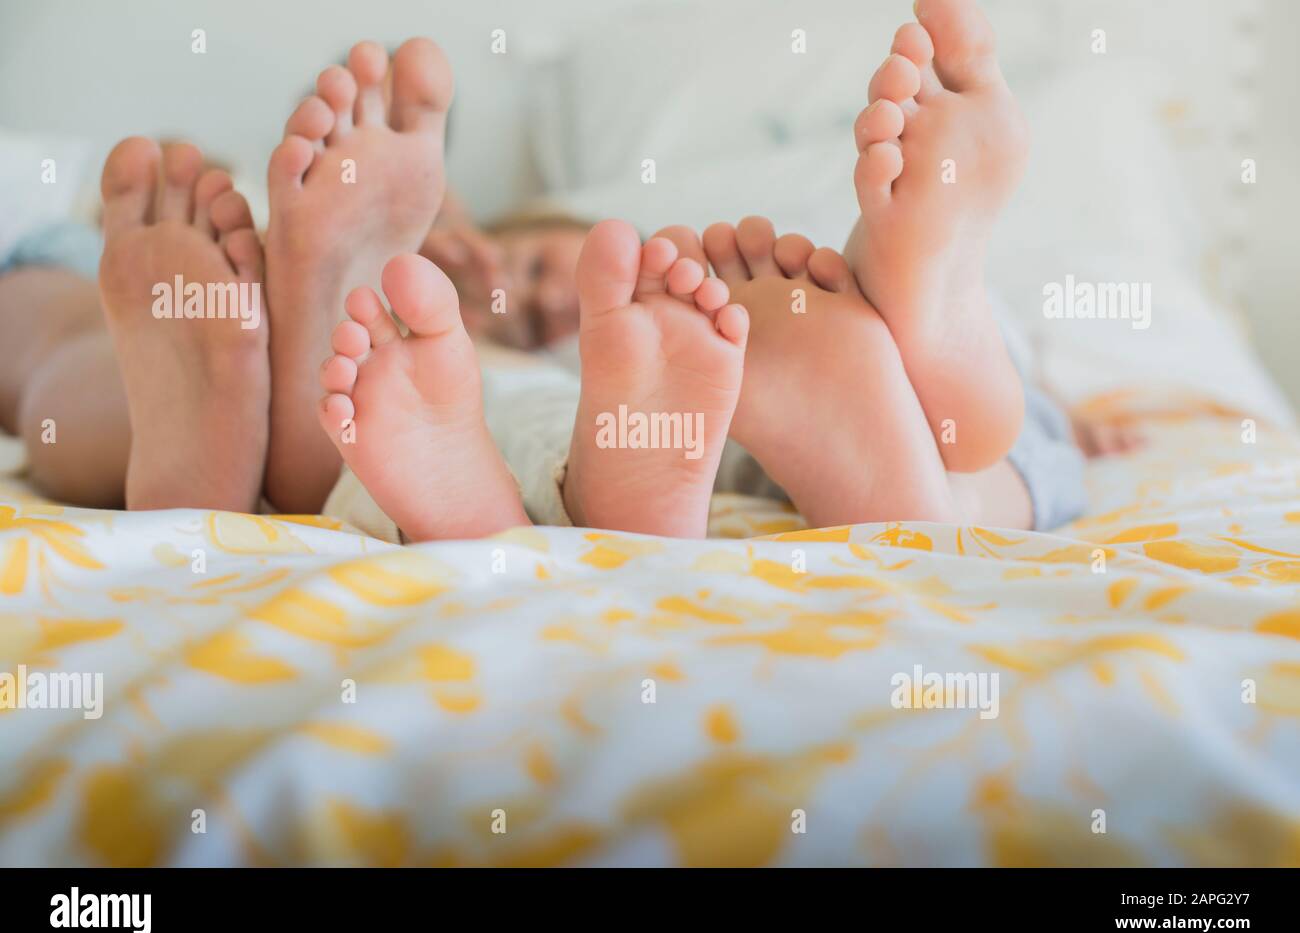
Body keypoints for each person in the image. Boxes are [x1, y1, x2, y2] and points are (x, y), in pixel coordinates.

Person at [0, 0, 1111, 541]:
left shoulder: (675, 330)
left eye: (541, 274)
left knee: (444, 401)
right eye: (513, 279)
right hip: (654, 401)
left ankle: (934, 339)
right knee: (445, 392)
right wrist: (429, 242)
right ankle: (932, 444)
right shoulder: (513, 343)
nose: (526, 295)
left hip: (732, 389)